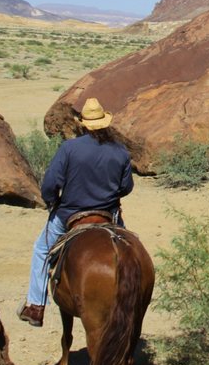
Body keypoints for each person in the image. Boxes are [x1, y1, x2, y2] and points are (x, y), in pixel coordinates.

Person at [17, 97, 134, 327]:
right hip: (108, 214)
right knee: (128, 248)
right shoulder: (120, 151)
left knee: (41, 249)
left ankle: (36, 306)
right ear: (105, 123)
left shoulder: (69, 148)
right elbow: (127, 187)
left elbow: (50, 183)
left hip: (69, 214)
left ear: (83, 124)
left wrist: (52, 201)